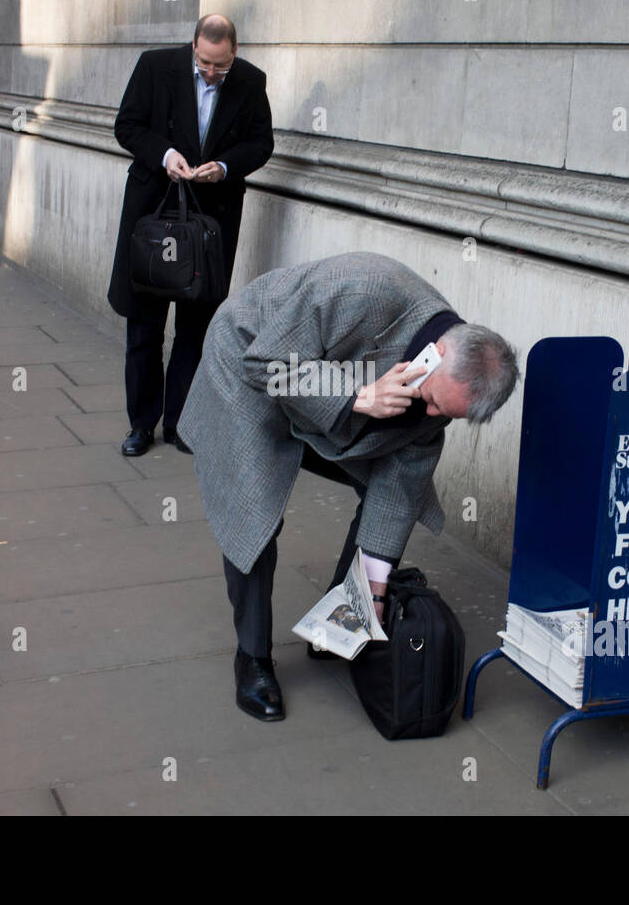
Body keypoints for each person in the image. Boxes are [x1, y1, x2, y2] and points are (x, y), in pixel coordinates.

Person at [176, 252, 521, 721]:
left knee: (394, 490)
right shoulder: (362, 289)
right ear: (435, 354)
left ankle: (334, 620)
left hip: (327, 393)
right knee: (254, 512)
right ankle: (252, 658)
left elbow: (395, 498)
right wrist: (360, 396)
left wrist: (369, 597)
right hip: (252, 364)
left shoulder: (433, 401)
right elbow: (268, 364)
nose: (435, 418)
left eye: (448, 417)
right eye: (438, 403)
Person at [107, 14, 274, 458]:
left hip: (210, 223)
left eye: (220, 66)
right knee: (143, 324)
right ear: (192, 46)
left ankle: (182, 422)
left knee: (195, 328)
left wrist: (223, 167)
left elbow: (261, 144)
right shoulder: (154, 66)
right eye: (203, 63)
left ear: (234, 53)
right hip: (152, 217)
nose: (211, 73)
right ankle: (141, 424)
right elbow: (127, 126)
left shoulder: (251, 82)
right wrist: (165, 155)